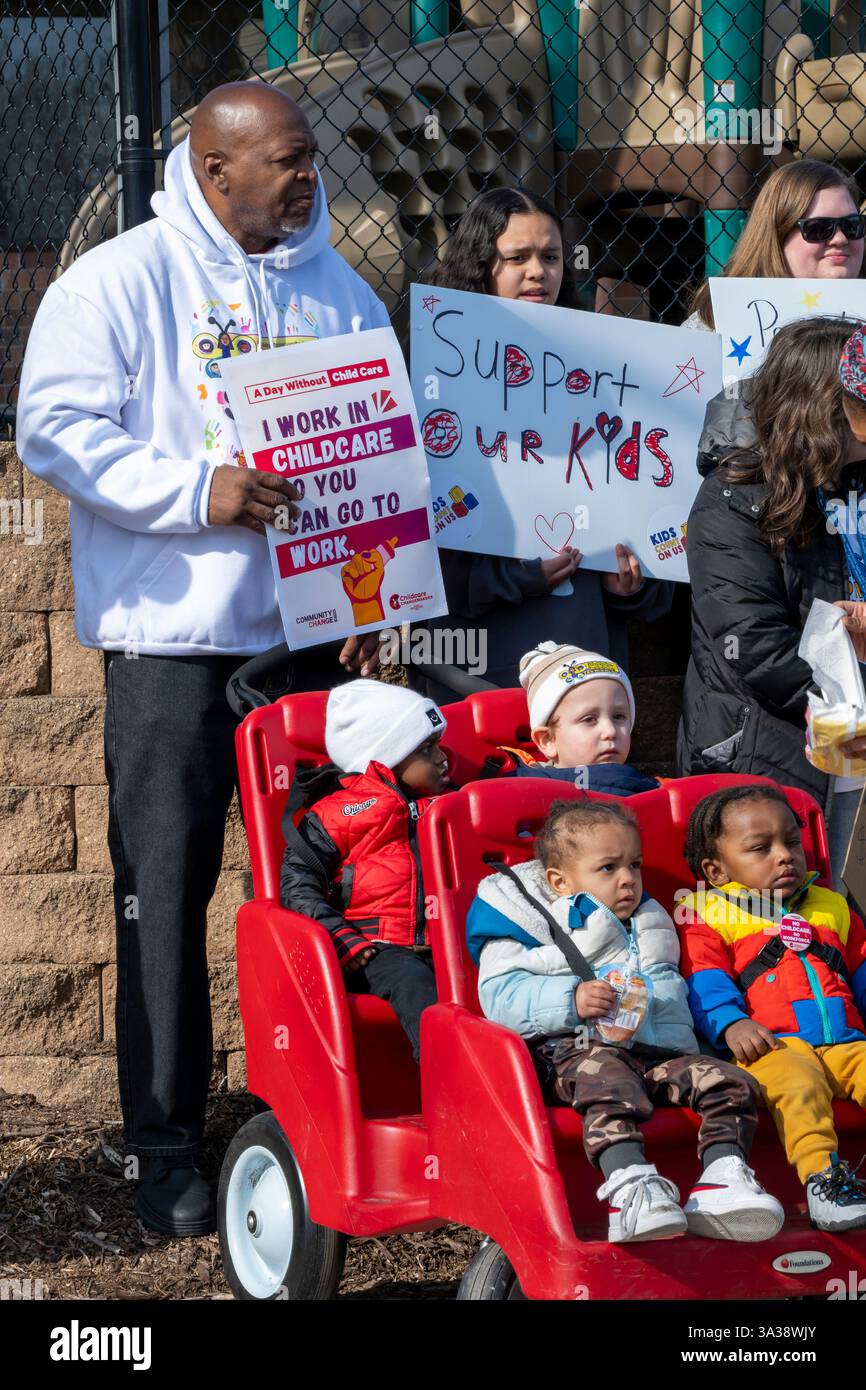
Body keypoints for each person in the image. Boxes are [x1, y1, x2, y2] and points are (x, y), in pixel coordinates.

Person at [16, 82, 391, 1236]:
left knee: (329, 896)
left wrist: (376, 586)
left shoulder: (342, 291)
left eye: (309, 157)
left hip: (306, 650)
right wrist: (198, 493)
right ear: (213, 169)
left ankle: (318, 1124)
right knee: (163, 900)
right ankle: (166, 1148)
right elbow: (54, 427)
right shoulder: (117, 279)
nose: (305, 177)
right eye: (282, 161)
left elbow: (380, 447)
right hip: (171, 650)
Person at [466, 800, 783, 1243]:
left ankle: (722, 1178)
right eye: (609, 868)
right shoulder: (535, 926)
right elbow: (499, 995)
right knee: (609, 1078)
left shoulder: (652, 921)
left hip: (657, 1053)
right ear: (560, 881)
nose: (628, 879)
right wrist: (571, 999)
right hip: (577, 1052)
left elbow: (678, 991)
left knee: (729, 1081)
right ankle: (630, 1187)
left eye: (634, 865)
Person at [420, 188, 671, 697]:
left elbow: (649, 534)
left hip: (587, 664)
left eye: (551, 256)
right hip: (481, 667)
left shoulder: (604, 370)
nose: (539, 271)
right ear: (480, 264)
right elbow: (427, 567)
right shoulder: (435, 377)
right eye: (517, 257)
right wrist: (517, 577)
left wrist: (629, 586)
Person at [677, 316, 866, 887]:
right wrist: (849, 699)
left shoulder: (854, 478)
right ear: (821, 410)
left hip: (848, 732)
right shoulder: (732, 499)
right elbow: (752, 645)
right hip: (772, 746)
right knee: (793, 923)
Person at [678, 785, 866, 1231]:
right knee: (798, 1087)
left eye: (792, 842)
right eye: (761, 848)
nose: (784, 856)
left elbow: (860, 966)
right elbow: (703, 978)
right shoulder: (707, 912)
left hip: (847, 1042)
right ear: (717, 870)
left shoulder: (831, 905)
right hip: (776, 1046)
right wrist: (731, 1022)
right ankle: (825, 1185)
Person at [280, 680, 448, 1061]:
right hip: (378, 950)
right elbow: (297, 884)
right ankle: (451, 1087)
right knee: (417, 987)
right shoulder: (339, 812)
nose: (443, 758)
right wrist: (341, 939)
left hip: (446, 945)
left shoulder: (449, 806)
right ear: (388, 755)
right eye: (426, 748)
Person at [684, 159, 865, 331]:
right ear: (777, 236)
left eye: (852, 225)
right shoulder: (716, 324)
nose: (840, 239)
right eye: (818, 228)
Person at [501, 640, 659, 794]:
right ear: (548, 740)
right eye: (589, 719)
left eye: (618, 716)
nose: (610, 731)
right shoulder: (520, 796)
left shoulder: (658, 792)